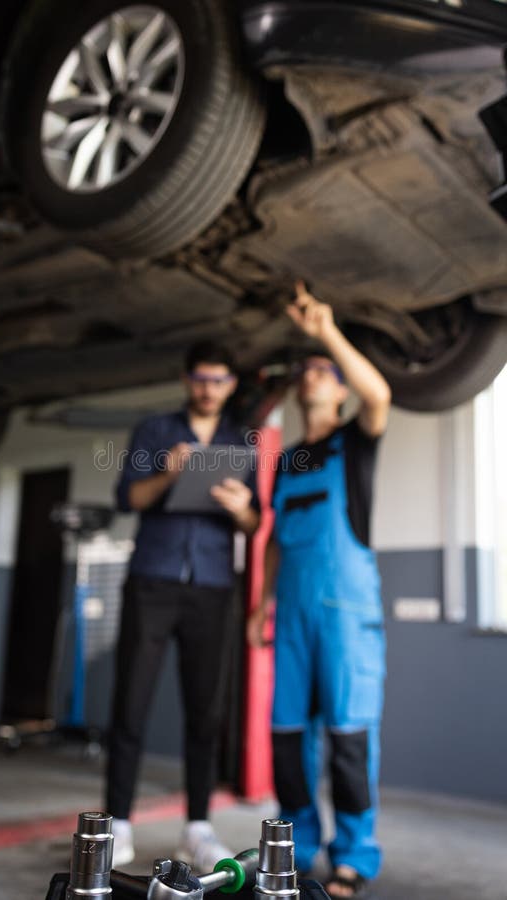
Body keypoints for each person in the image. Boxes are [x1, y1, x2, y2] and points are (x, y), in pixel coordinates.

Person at [247, 281, 391, 899]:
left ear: (338, 386)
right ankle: (300, 848)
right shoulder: (293, 461)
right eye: (306, 368)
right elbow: (276, 535)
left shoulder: (353, 442)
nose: (312, 374)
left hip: (346, 614)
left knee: (349, 737)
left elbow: (380, 393)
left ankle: (355, 854)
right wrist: (262, 602)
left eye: (323, 370)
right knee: (286, 737)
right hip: (295, 613)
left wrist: (326, 334)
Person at [107, 341, 260, 870]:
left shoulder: (241, 442)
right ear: (185, 379)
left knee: (205, 710)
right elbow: (127, 499)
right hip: (152, 580)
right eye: (199, 379)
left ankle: (197, 828)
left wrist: (242, 510)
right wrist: (169, 473)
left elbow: (254, 522)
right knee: (130, 702)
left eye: (218, 380)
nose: (208, 389)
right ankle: (118, 824)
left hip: (213, 587)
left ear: (231, 385)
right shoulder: (153, 432)